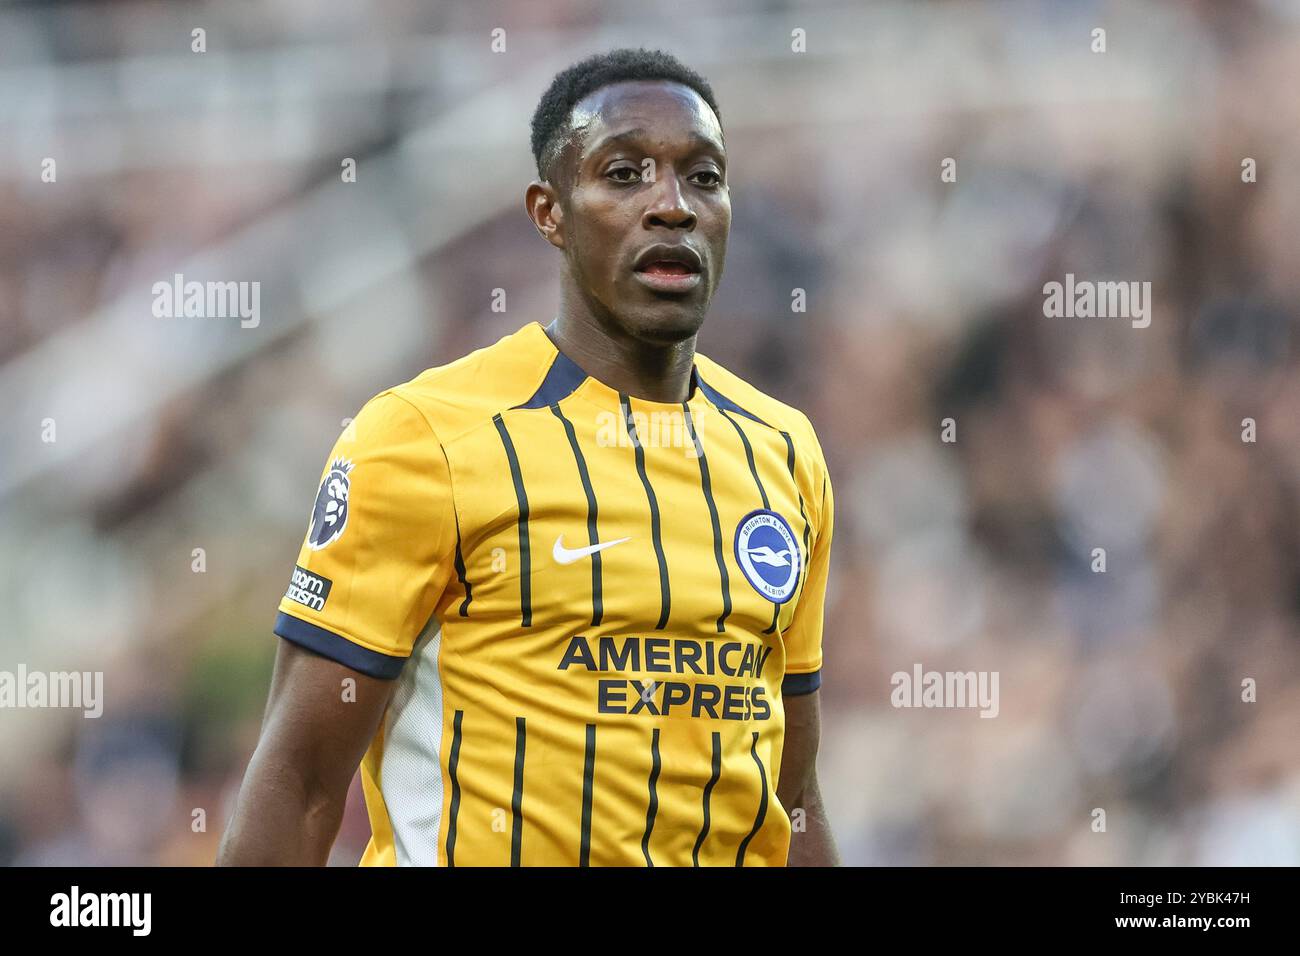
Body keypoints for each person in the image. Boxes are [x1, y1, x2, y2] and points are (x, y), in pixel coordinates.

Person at [218, 47, 838, 867]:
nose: (673, 206)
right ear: (549, 213)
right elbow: (299, 782)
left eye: (705, 177)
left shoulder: (784, 453)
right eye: (623, 174)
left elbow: (789, 796)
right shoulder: (423, 439)